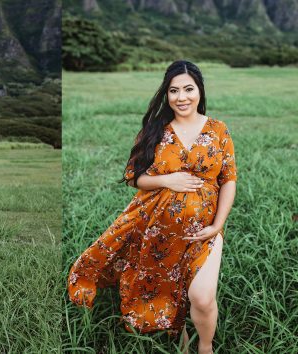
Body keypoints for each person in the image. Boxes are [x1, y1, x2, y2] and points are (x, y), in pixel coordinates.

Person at [67, 60, 237, 354]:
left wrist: (218, 225)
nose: (181, 97)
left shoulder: (218, 130)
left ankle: (206, 347)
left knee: (203, 296)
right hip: (157, 229)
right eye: (173, 90)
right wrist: (168, 179)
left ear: (199, 90)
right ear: (166, 94)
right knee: (169, 287)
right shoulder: (155, 130)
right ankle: (181, 331)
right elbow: (135, 178)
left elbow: (229, 180)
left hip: (204, 230)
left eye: (188, 89)